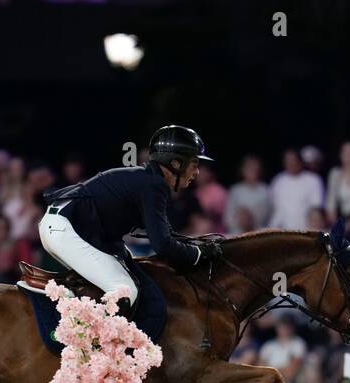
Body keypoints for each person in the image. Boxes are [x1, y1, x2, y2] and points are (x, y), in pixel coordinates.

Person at [37, 125, 221, 313]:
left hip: (64, 227)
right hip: (66, 230)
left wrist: (195, 247)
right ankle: (91, 341)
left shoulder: (147, 181)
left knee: (130, 271)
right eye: (194, 164)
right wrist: (198, 254)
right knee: (124, 291)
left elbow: (165, 235)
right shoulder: (154, 186)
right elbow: (162, 244)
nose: (197, 172)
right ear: (176, 163)